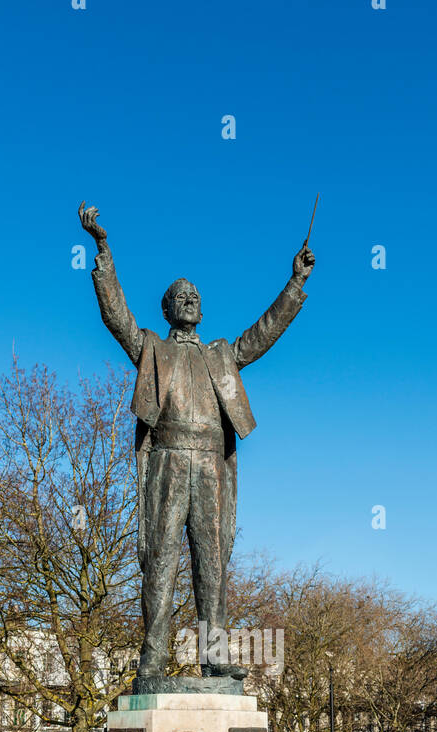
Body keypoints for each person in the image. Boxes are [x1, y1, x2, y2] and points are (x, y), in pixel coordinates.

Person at [79, 202, 314, 680]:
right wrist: (102, 249)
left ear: (201, 309)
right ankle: (152, 658)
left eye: (194, 295)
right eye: (179, 295)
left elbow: (264, 333)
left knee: (212, 564)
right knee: (161, 560)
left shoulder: (222, 355)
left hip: (210, 466)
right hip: (166, 461)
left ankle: (214, 656)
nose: (188, 298)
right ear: (166, 308)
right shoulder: (152, 348)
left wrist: (295, 284)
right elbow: (116, 316)